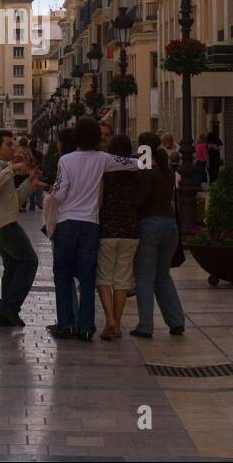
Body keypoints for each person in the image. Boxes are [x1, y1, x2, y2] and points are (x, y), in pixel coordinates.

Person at [44, 117, 139, 341]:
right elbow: (136, 163)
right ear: (97, 138)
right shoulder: (103, 159)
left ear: (76, 136)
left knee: (63, 274)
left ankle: (66, 324)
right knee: (87, 277)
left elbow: (59, 193)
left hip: (67, 223)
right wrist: (147, 150)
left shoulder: (66, 160)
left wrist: (50, 202)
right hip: (91, 224)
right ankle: (86, 327)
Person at [0, 129, 39, 327]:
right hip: (1, 223)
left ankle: (0, 314)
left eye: (13, 144)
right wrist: (12, 168)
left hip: (3, 221)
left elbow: (13, 200)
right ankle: (8, 308)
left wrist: (30, 183)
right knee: (29, 261)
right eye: (8, 144)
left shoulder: (2, 166)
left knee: (13, 266)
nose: (13, 148)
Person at [132, 131, 186, 338]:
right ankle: (176, 321)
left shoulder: (146, 170)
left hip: (150, 225)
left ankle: (145, 325)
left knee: (145, 276)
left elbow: (139, 200)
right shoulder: (166, 170)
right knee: (163, 275)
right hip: (170, 226)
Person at [96, 134, 146, 340]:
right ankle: (116, 322)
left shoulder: (105, 172)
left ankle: (109, 320)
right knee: (122, 280)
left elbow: (99, 201)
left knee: (104, 277)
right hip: (130, 230)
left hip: (107, 230)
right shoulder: (136, 173)